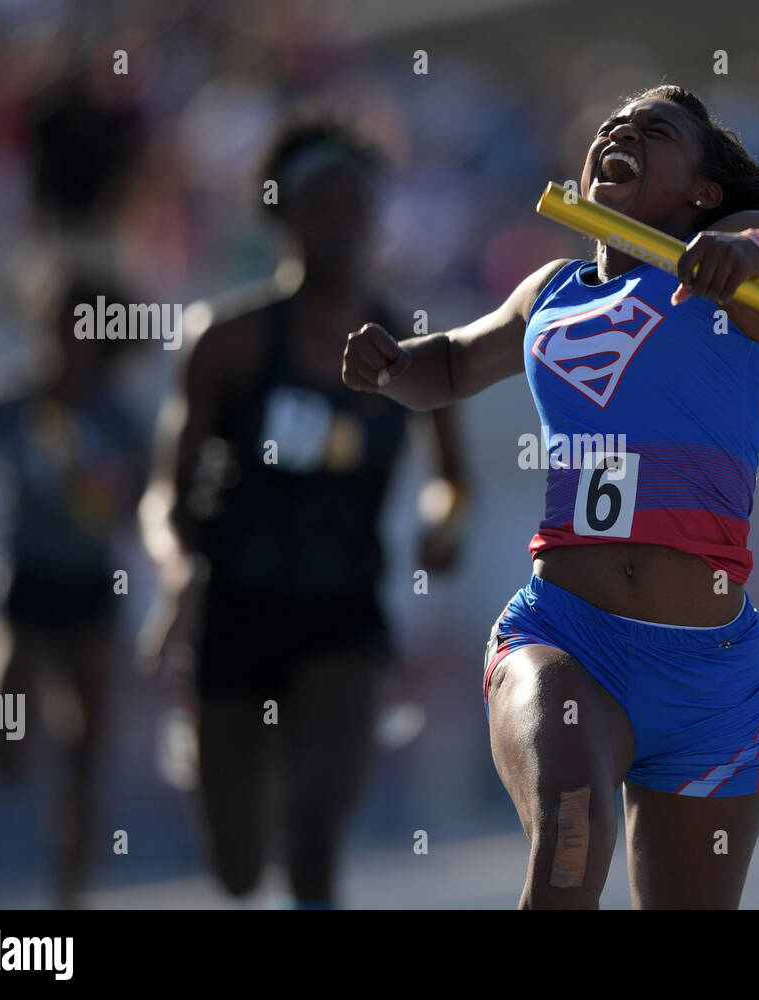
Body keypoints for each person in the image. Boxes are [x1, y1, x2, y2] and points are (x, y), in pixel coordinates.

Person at [343, 84, 759, 908]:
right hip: (562, 638)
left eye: (655, 131)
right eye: (613, 126)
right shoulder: (549, 289)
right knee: (574, 836)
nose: (621, 132)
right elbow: (446, 366)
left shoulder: (731, 255)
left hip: (711, 680)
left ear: (701, 192)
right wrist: (390, 365)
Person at [142, 117, 468, 908]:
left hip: (344, 613)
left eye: (355, 205)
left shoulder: (417, 347)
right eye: (318, 206)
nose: (339, 225)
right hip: (235, 607)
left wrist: (442, 523)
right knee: (239, 868)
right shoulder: (227, 341)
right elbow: (165, 495)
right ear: (282, 217)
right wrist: (178, 576)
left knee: (315, 831)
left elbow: (451, 478)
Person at [0, 269, 149, 907]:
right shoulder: (8, 402)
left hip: (91, 595)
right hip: (22, 590)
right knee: (4, 750)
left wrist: (111, 496)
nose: (63, 346)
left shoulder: (117, 416)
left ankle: (70, 904)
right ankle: (9, 711)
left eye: (79, 332)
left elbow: (151, 507)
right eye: (54, 330)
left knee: (85, 760)